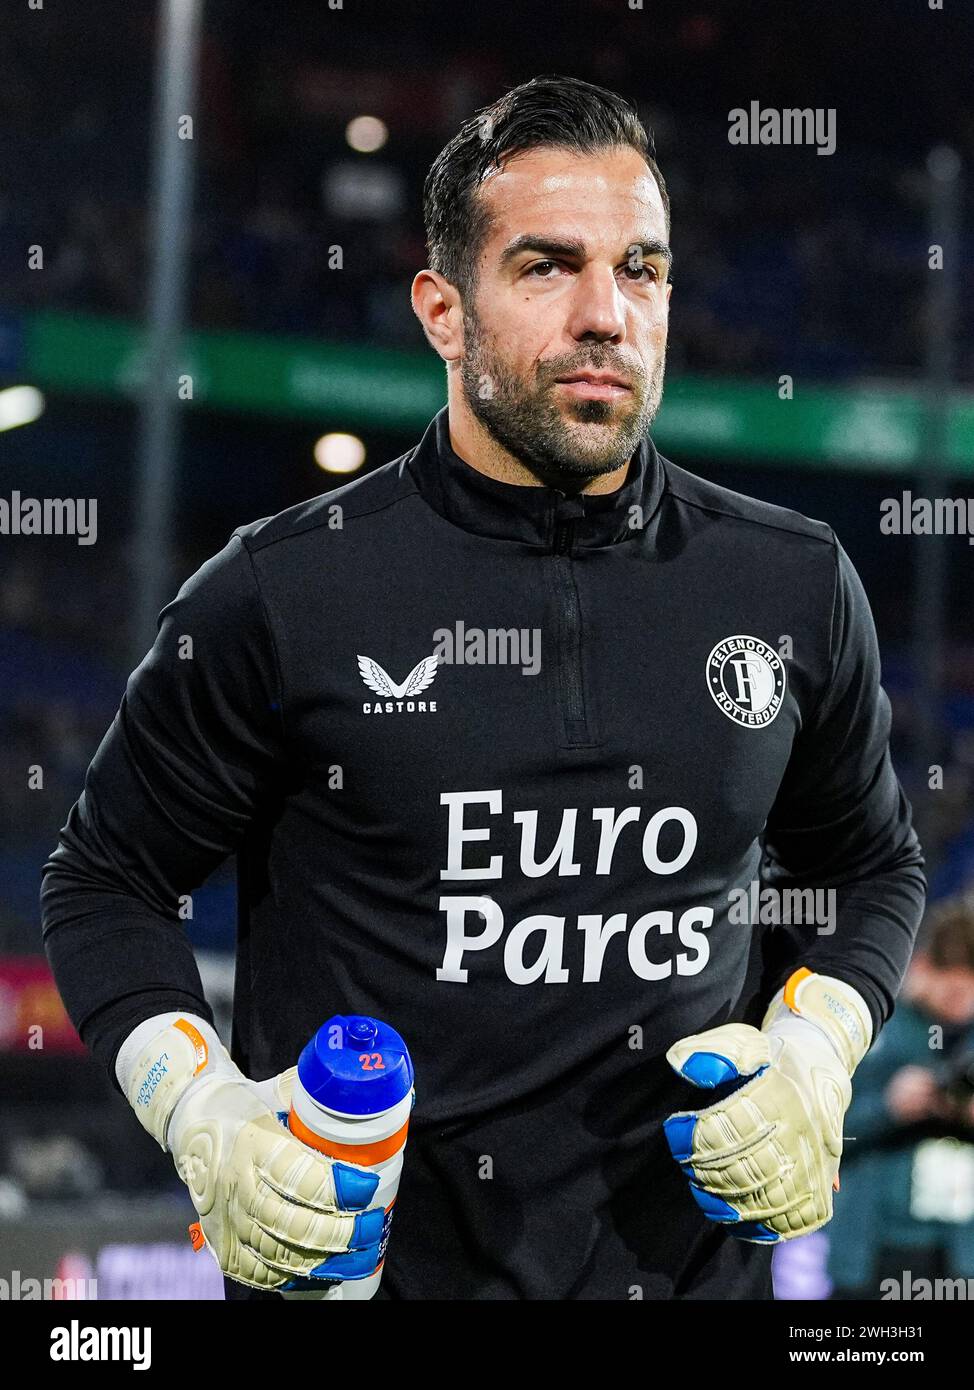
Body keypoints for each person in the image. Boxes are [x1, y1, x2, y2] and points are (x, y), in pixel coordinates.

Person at [41, 74, 925, 1301]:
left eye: (643, 269)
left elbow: (870, 866)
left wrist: (817, 1048)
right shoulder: (283, 591)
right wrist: (200, 1110)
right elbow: (103, 879)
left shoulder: (787, 584)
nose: (606, 313)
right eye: (547, 266)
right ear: (442, 310)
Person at [828, 894, 974, 1299]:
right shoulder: (873, 1028)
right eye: (953, 994)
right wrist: (889, 1107)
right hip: (872, 1247)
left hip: (959, 1252)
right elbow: (826, 1133)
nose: (961, 1009)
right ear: (925, 968)